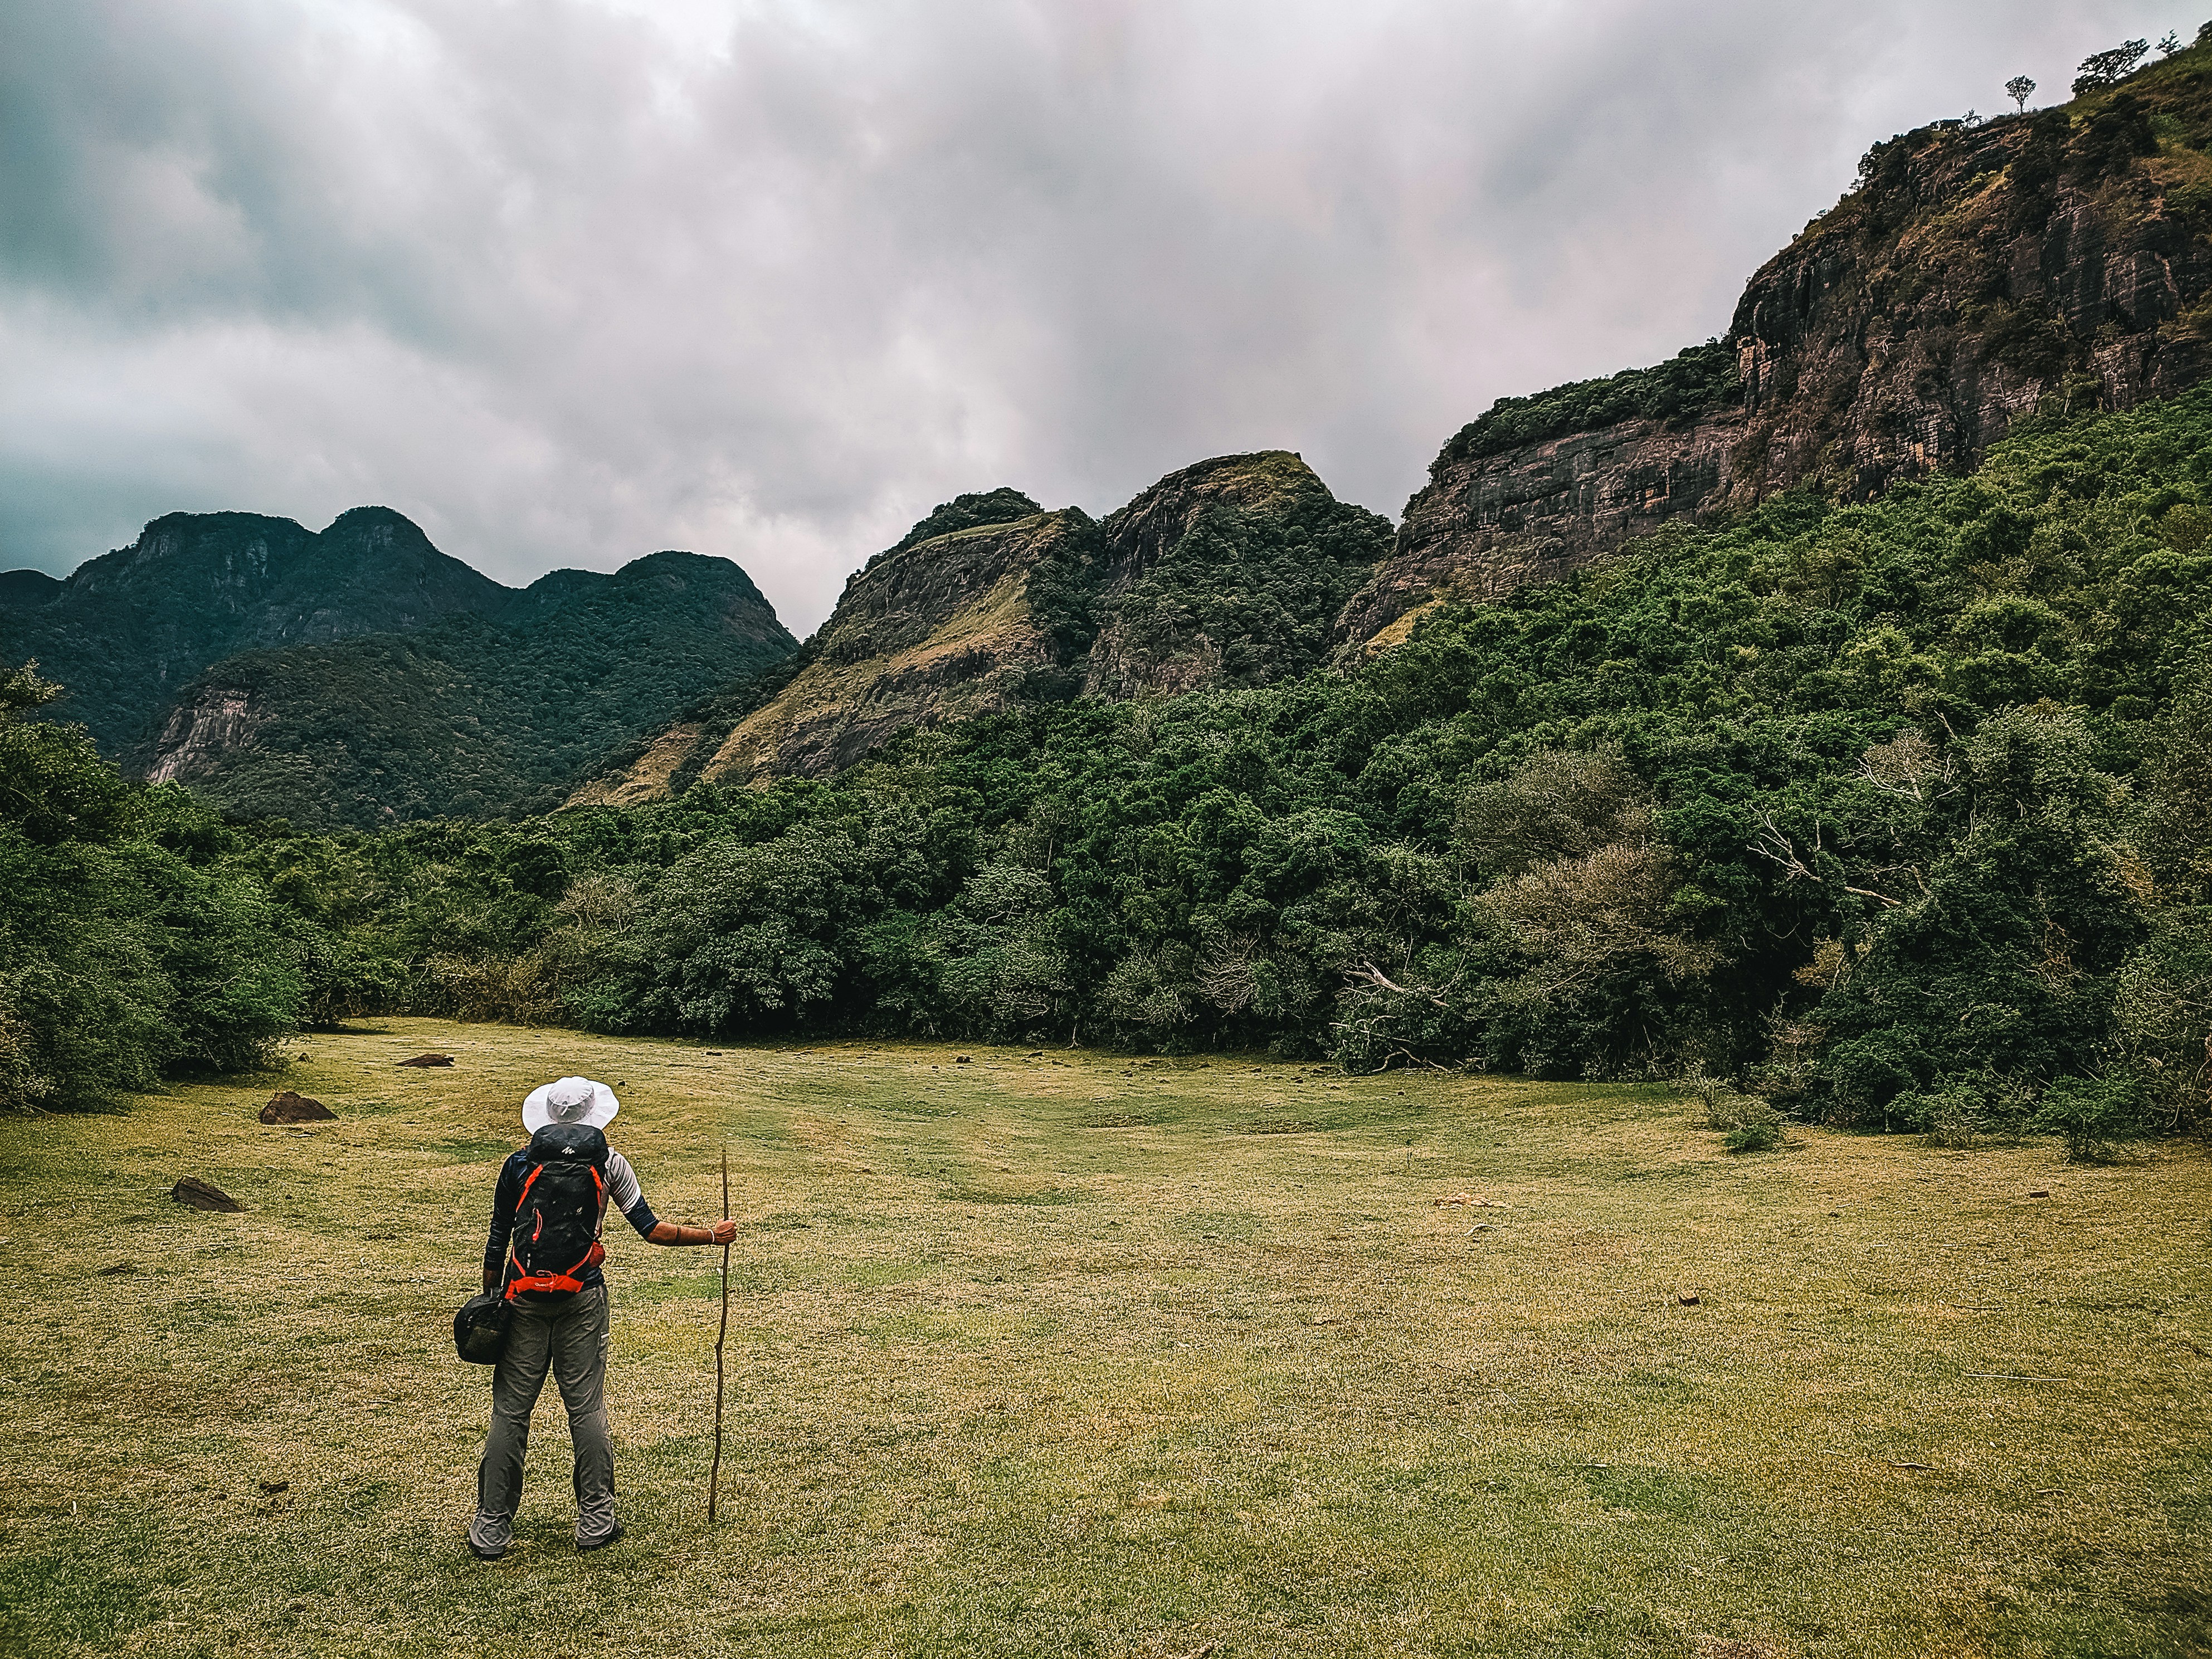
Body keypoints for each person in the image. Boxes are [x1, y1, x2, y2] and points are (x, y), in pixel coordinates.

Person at [466, 1075, 736, 1559]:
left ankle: (492, 1526)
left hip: (521, 1297)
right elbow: (652, 1231)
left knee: (510, 1413)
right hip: (583, 1299)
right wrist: (712, 1236)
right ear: (595, 1116)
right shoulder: (610, 1164)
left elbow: (497, 1236)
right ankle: (595, 1519)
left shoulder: (518, 1164)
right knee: (586, 1410)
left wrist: (492, 1298)